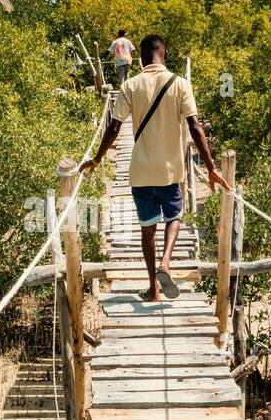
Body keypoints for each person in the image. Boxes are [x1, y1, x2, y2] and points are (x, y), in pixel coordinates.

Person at [80, 34, 227, 302]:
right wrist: (212, 168)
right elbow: (195, 127)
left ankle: (153, 290)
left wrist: (97, 159)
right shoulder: (180, 84)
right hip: (170, 171)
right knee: (174, 217)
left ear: (141, 58)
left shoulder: (130, 86)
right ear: (164, 55)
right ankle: (166, 262)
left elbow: (114, 127)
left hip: (140, 172)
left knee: (147, 230)